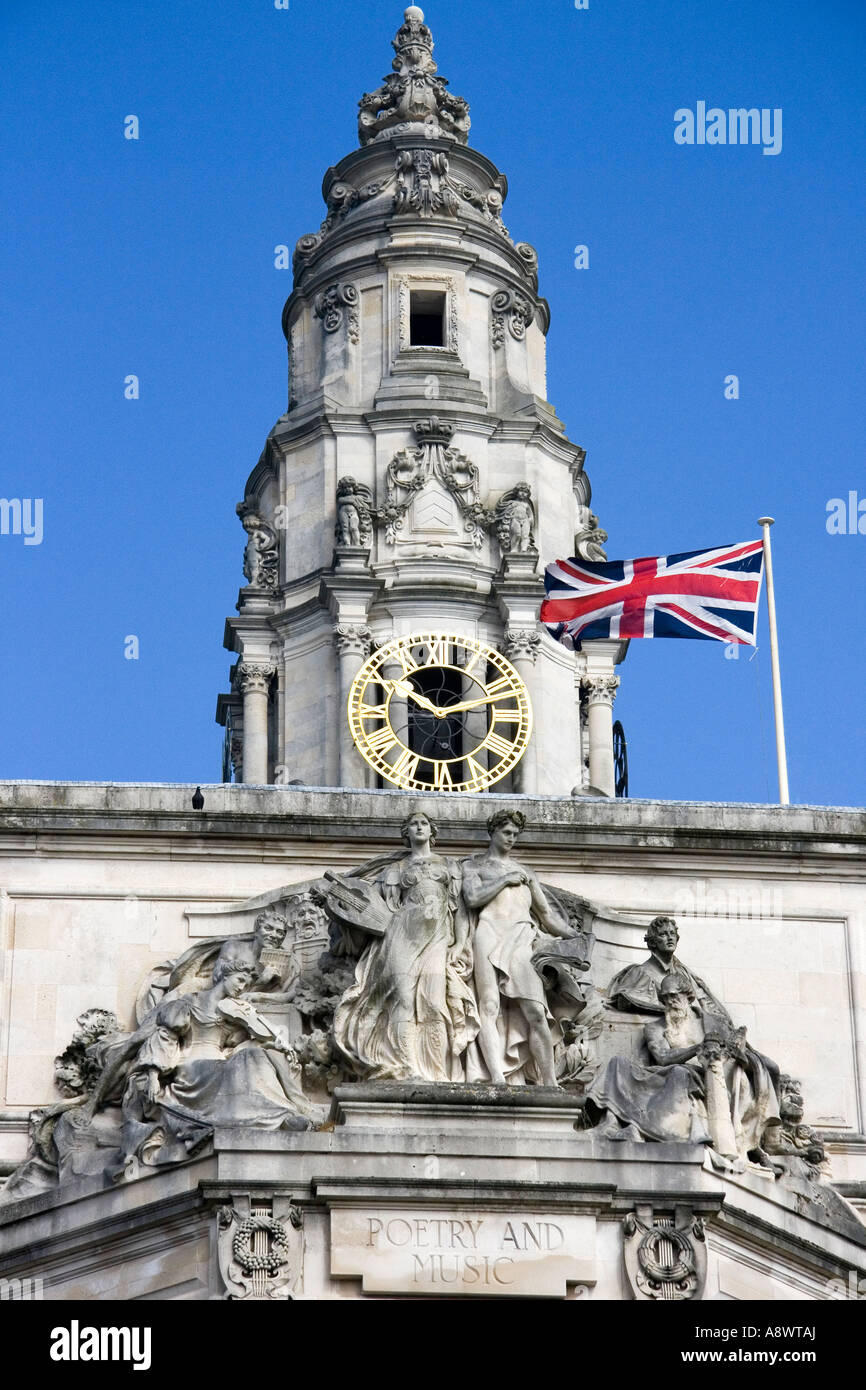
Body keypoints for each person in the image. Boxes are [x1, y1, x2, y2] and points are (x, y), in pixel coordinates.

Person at [116, 954, 320, 1177]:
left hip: (219, 1063)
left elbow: (252, 1037)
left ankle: (281, 1114)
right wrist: (154, 1075)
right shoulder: (189, 1003)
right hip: (190, 1067)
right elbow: (165, 1037)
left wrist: (278, 1045)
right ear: (224, 975)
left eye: (246, 984)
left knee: (253, 1056)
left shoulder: (233, 1011)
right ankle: (273, 1117)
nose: (241, 988)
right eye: (240, 980)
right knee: (236, 1067)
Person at [333, 810, 477, 1082]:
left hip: (437, 939)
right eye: (414, 824)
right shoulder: (394, 870)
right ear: (406, 833)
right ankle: (406, 1066)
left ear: (433, 832)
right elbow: (367, 908)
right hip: (400, 937)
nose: (419, 827)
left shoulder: (450, 867)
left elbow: (460, 910)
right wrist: (339, 907)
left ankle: (436, 1071)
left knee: (434, 1002)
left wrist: (459, 943)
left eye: (424, 823)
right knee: (402, 999)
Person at [461, 810, 573, 1086]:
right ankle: (497, 1076)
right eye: (506, 832)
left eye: (515, 834)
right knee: (487, 1006)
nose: (511, 838)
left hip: (521, 936)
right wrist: (502, 880)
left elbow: (547, 916)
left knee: (536, 1011)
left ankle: (549, 1080)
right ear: (493, 832)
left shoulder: (526, 873)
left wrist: (574, 936)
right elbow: (473, 898)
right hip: (487, 933)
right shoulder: (474, 866)